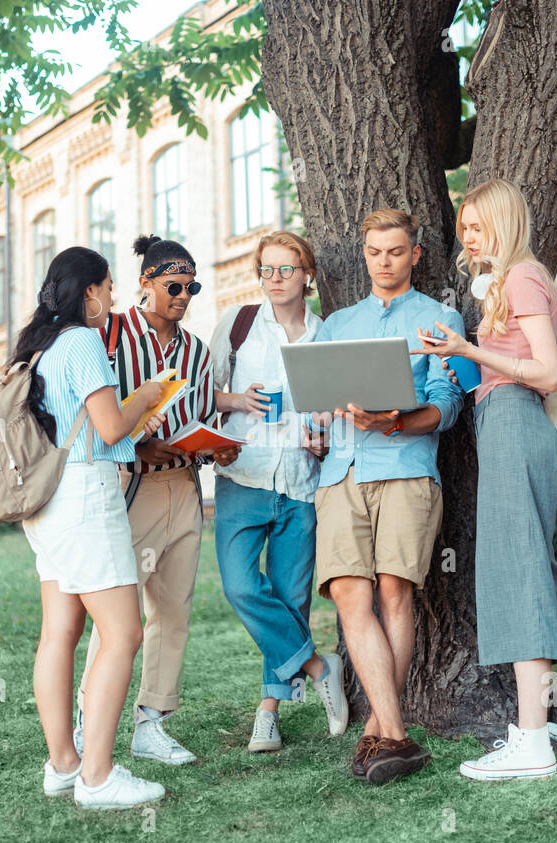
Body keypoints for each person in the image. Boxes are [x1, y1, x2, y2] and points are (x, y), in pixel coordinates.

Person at [412, 179, 557, 781]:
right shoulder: (509, 284)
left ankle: (532, 741)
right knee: (541, 570)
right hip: (502, 422)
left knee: (516, 570)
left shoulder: (523, 277)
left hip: (514, 423)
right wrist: (460, 357)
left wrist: (472, 352)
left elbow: (543, 372)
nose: (469, 239)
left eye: (477, 227)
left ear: (504, 223)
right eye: (465, 229)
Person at [305, 208, 464, 785]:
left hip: (405, 468)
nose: (384, 261)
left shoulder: (439, 318)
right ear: (365, 253)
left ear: (416, 254)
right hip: (340, 473)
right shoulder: (336, 324)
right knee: (350, 594)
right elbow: (313, 399)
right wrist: (317, 423)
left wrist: (393, 421)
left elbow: (447, 406)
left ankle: (380, 730)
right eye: (375, 251)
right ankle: (395, 736)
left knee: (395, 594)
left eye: (396, 251)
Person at [17, 246, 170, 809]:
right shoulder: (81, 340)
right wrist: (146, 397)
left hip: (46, 501)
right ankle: (99, 777)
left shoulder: (37, 345)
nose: (111, 297)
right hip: (83, 495)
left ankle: (64, 763)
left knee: (59, 633)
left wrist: (129, 417)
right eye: (107, 286)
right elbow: (107, 428)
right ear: (90, 292)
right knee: (124, 633)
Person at [74, 235, 217, 766]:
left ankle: (150, 722)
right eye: (173, 286)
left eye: (190, 287)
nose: (183, 295)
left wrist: (214, 445)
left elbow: (201, 411)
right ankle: (90, 721)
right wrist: (137, 443)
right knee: (117, 615)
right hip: (129, 485)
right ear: (146, 284)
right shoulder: (107, 334)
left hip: (185, 486)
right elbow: (88, 407)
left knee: (173, 611)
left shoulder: (197, 350)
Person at [209, 230, 348, 752]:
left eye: (285, 269)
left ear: (307, 275)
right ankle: (317, 666)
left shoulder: (325, 335)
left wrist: (323, 439)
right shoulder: (239, 325)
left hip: (301, 484)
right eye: (265, 270)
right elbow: (206, 396)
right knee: (243, 587)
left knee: (290, 599)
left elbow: (337, 412)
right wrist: (237, 400)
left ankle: (268, 713)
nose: (273, 279)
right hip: (242, 477)